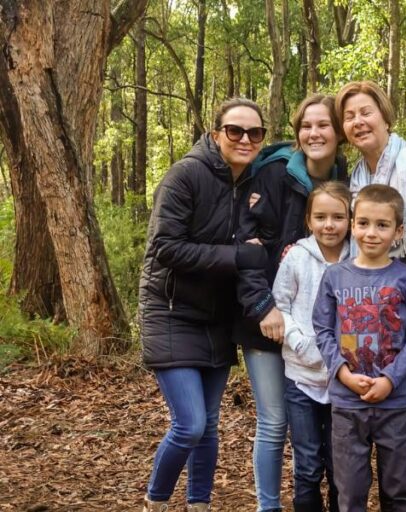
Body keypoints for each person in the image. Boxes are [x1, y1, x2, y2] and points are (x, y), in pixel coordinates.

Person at [139, 98, 268, 512]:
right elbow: (165, 248)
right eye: (235, 130)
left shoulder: (252, 182)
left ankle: (199, 504)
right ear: (216, 134)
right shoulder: (185, 175)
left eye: (255, 133)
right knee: (190, 424)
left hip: (217, 316)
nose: (245, 139)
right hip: (171, 310)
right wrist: (236, 255)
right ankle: (155, 502)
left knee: (209, 427)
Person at [235, 94, 348, 512]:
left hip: (325, 338)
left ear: (339, 134)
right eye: (307, 125)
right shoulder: (273, 176)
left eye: (324, 125)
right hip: (266, 317)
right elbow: (246, 251)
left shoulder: (345, 180)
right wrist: (264, 307)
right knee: (274, 421)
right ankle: (269, 507)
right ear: (298, 132)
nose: (314, 133)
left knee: (328, 440)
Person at [313, 184, 406, 512]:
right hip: (348, 402)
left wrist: (390, 380)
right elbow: (322, 329)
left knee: (401, 486)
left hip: (396, 402)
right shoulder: (335, 277)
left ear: (398, 231)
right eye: (363, 223)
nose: (371, 233)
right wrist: (344, 374)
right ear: (352, 223)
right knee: (350, 489)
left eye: (382, 225)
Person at [271, 181, 352, 512]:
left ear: (350, 219)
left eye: (338, 217)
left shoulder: (359, 257)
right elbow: (281, 304)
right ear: (309, 220)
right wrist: (299, 342)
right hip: (301, 377)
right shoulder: (296, 258)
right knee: (306, 463)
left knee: (339, 464)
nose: (329, 225)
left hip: (344, 378)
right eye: (320, 217)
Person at [336, 81, 406, 258]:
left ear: (385, 119)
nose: (358, 122)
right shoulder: (354, 178)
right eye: (349, 117)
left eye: (366, 113)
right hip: (364, 276)